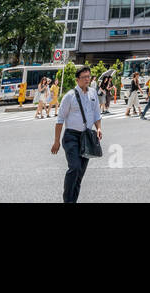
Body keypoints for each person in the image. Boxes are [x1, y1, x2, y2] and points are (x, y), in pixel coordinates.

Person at [51, 66, 102, 204]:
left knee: (80, 175)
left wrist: (98, 128)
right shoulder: (69, 96)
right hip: (71, 137)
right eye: (84, 77)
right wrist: (56, 141)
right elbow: (60, 119)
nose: (87, 79)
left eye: (89, 76)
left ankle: (73, 200)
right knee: (75, 168)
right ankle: (67, 200)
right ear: (77, 79)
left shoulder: (93, 94)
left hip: (87, 137)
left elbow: (97, 114)